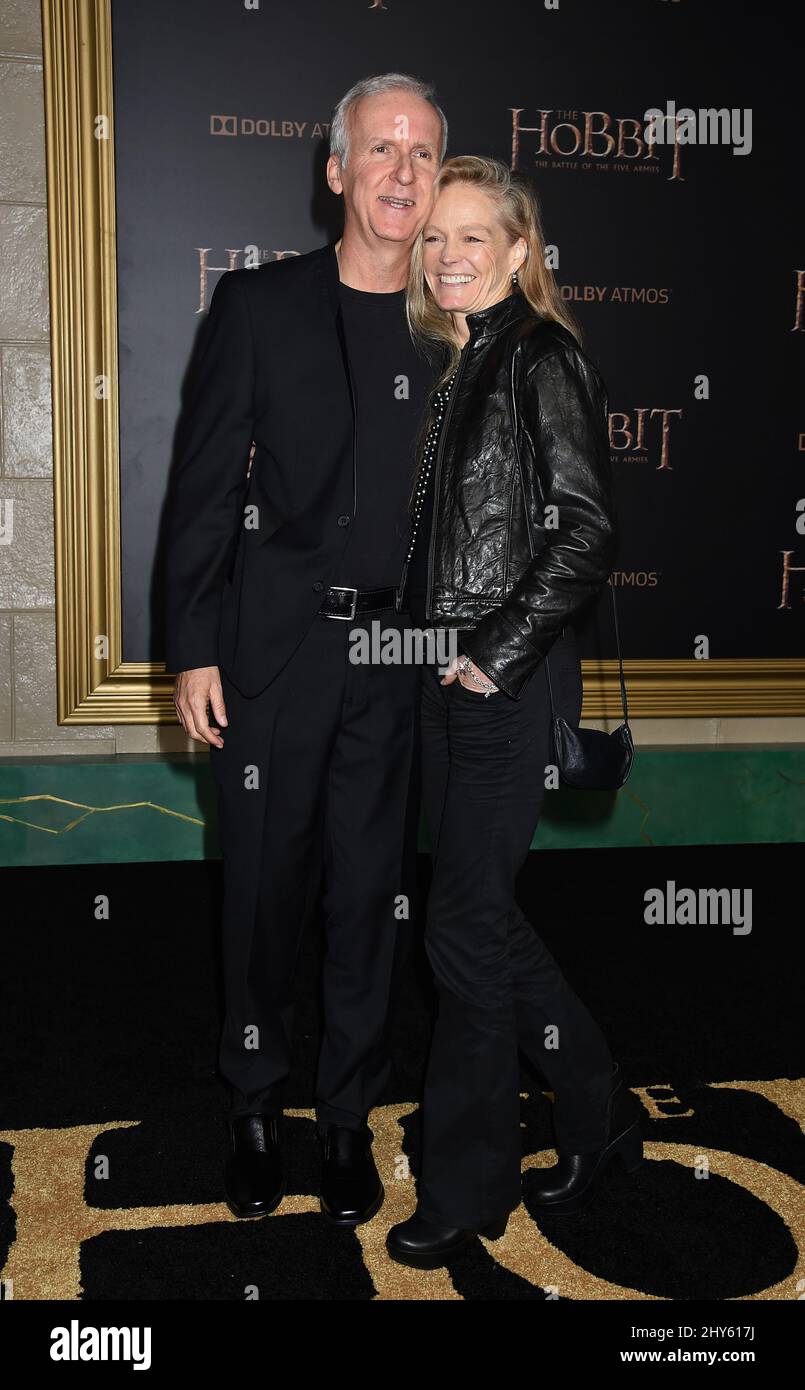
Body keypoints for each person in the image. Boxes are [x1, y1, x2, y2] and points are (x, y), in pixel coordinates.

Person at [163, 73, 446, 1224]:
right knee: (262, 895)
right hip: (275, 653)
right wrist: (191, 647)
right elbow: (198, 494)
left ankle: (342, 1121)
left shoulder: (460, 322)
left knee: (368, 897)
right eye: (379, 150)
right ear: (334, 171)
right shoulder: (258, 308)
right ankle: (250, 1105)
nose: (401, 171)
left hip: (401, 660)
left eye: (424, 154)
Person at [386, 156, 644, 1269]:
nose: (446, 255)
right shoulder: (453, 363)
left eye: (472, 238)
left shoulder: (540, 356)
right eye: (433, 237)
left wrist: (491, 653)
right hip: (439, 674)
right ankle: (599, 1108)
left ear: (520, 250)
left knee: (458, 931)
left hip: (498, 677)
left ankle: (467, 1185)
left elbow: (587, 530)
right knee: (479, 917)